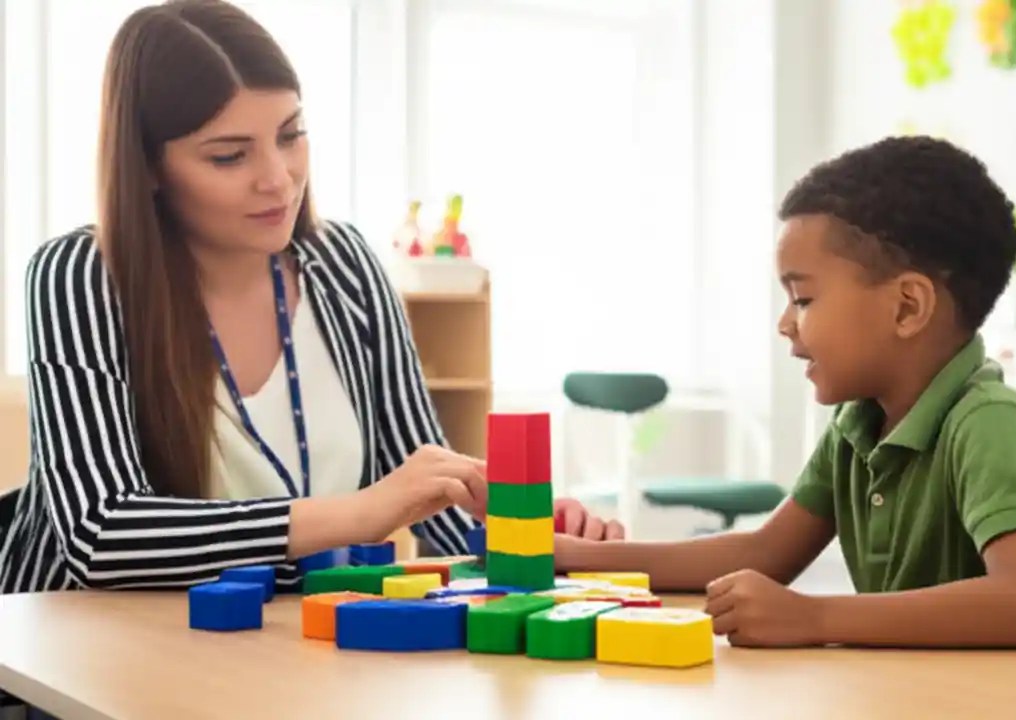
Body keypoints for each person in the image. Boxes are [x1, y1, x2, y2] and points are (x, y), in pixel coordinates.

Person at [0, 0, 620, 595]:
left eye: (291, 135)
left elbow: (427, 491)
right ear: (148, 167)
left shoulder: (344, 264)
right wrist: (358, 514)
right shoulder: (79, 275)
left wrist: (523, 533)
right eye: (229, 156)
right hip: (86, 648)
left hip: (279, 643)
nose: (278, 178)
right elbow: (101, 534)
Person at [557, 136, 1016, 652]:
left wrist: (813, 618)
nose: (785, 324)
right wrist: (574, 556)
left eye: (803, 299)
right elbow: (764, 552)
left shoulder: (992, 422)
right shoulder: (858, 425)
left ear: (908, 307)